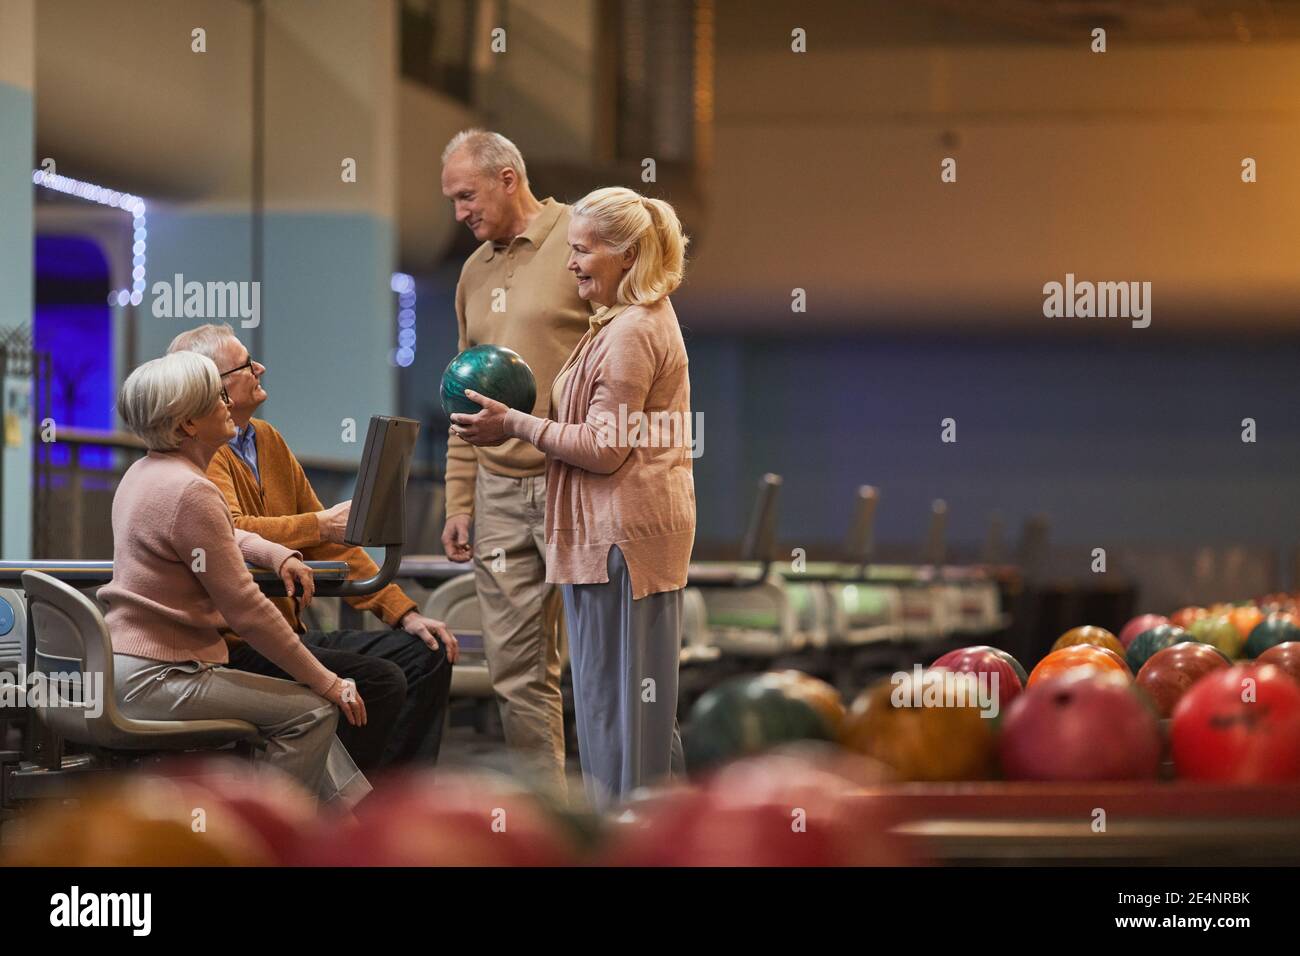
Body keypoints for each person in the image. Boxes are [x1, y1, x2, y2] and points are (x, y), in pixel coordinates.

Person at [452, 186, 695, 811]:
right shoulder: (618, 321)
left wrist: (513, 424)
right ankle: (655, 836)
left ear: (627, 256)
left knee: (619, 715)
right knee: (632, 715)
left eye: (583, 252)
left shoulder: (632, 331)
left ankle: (627, 838)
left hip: (622, 542)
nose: (571, 263)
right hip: (617, 538)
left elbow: (604, 448)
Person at [166, 324, 457, 771]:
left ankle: (393, 808)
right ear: (216, 385)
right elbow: (235, 530)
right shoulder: (201, 451)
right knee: (381, 682)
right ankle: (344, 810)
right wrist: (318, 525)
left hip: (287, 634)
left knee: (425, 655)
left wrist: (405, 613)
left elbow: (329, 543)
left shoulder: (267, 439)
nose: (260, 368)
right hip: (235, 644)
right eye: (247, 364)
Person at [100, 351, 368, 805]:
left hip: (121, 668)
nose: (229, 404)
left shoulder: (147, 473)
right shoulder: (191, 491)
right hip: (160, 678)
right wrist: (329, 682)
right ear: (188, 424)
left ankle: (354, 824)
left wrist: (276, 553)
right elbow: (248, 611)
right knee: (313, 711)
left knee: (301, 706)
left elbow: (225, 534)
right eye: (218, 397)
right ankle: (265, 842)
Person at [439, 129, 590, 789]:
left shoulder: (581, 239)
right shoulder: (472, 273)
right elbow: (461, 391)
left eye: (466, 195)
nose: (459, 213)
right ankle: (548, 816)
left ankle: (641, 811)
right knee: (516, 670)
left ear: (508, 178)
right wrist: (459, 500)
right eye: (451, 200)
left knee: (610, 660)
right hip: (499, 498)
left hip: (577, 483)